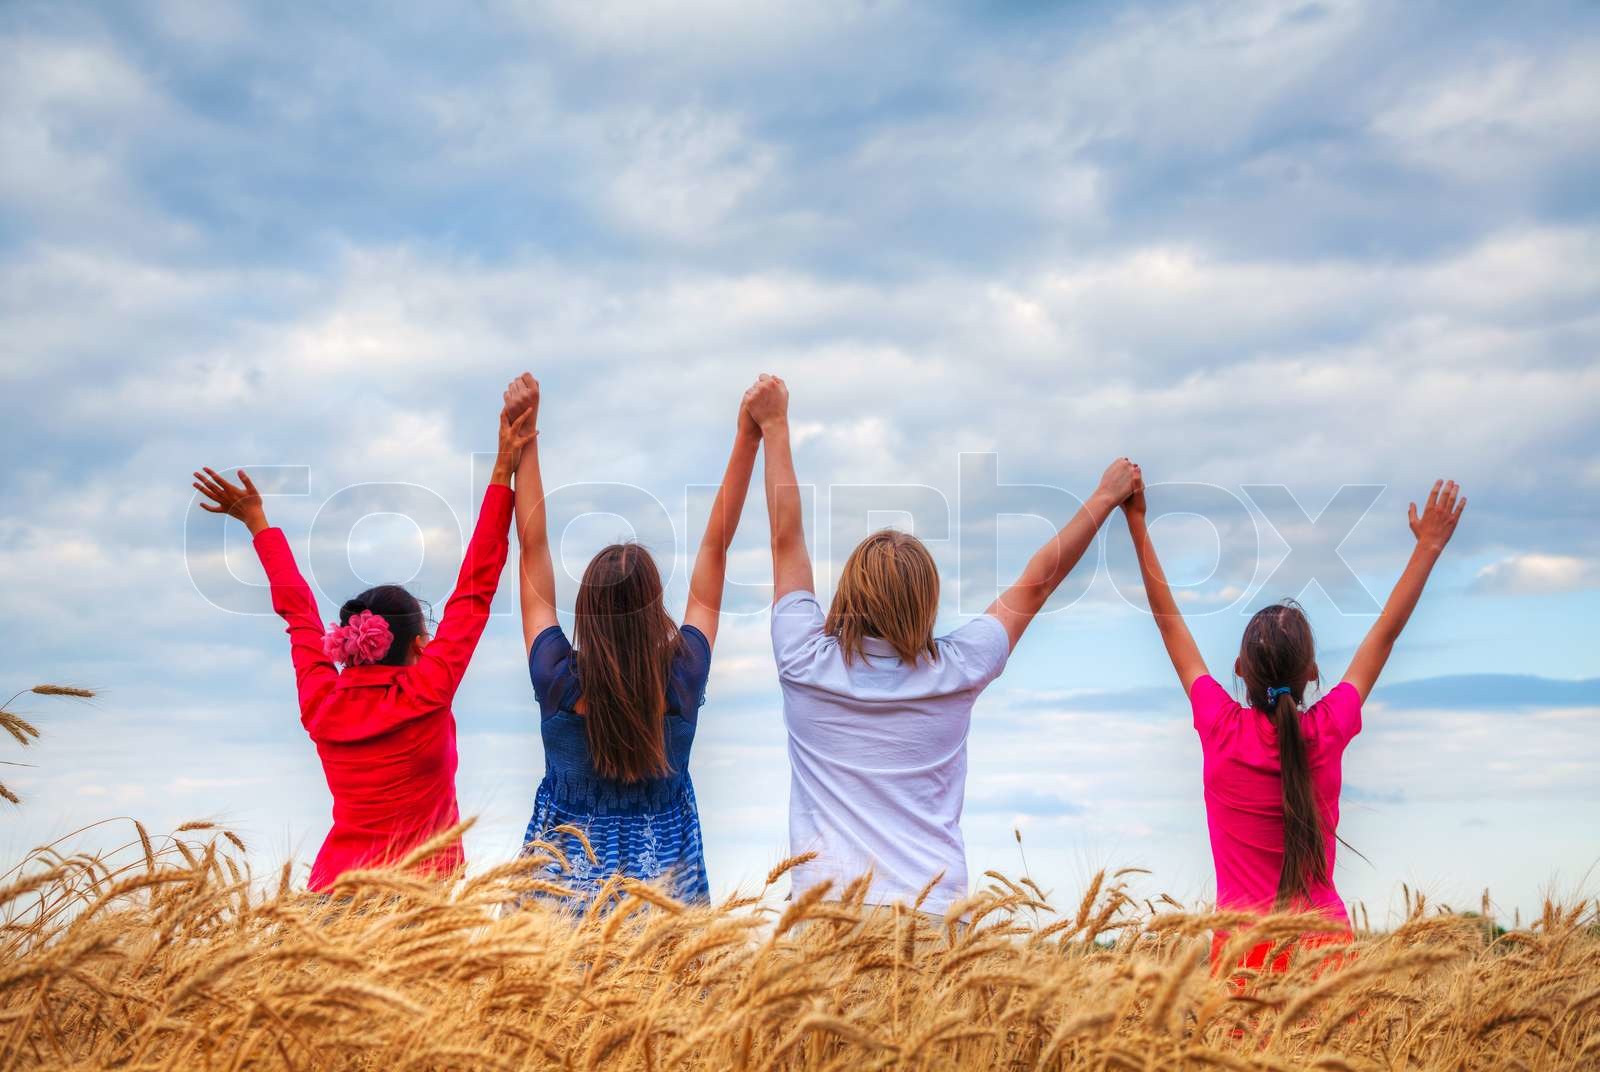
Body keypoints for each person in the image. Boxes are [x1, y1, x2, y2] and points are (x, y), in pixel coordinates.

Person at [745, 373, 1138, 918]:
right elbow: (1039, 579)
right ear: (925, 602)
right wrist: (1105, 496)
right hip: (932, 926)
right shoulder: (959, 667)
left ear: (850, 592)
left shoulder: (803, 659)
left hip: (825, 921)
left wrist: (776, 425)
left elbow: (785, 538)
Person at [1121, 474, 1466, 972]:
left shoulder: (1221, 727)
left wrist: (1136, 523)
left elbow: (1168, 622)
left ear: (1239, 670)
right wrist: (1429, 546)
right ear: (1313, 673)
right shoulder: (1328, 729)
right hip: (1325, 955)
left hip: (1243, 959)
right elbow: (1384, 635)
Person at [190, 401, 537, 892]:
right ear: (420, 644)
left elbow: (298, 615)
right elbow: (475, 589)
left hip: (333, 904)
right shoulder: (427, 688)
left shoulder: (322, 703)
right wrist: (504, 468)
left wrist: (257, 522)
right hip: (421, 911)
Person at [506, 373, 760, 906]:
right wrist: (748, 437)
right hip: (662, 896)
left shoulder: (557, 676)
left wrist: (524, 437)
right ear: (655, 611)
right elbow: (715, 548)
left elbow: (533, 548)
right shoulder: (684, 673)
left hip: (558, 891)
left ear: (586, 614)